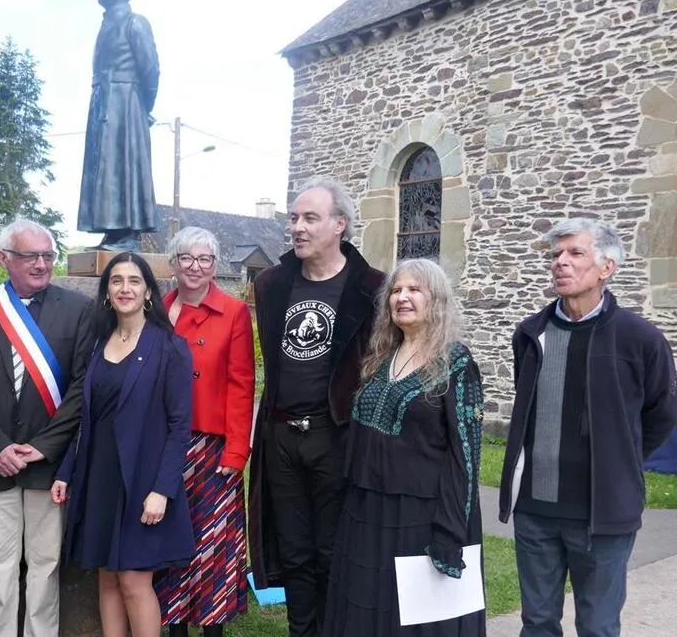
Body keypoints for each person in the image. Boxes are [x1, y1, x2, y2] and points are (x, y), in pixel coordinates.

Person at [498, 218, 677, 637]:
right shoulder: (531, 333)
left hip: (603, 516)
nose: (560, 262)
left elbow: (663, 413)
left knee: (598, 626)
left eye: (575, 253)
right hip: (535, 511)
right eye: (555, 254)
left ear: (606, 268)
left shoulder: (640, 338)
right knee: (537, 623)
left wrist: (622, 459)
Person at [248, 176, 384, 637]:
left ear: (339, 224)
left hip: (335, 434)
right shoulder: (272, 284)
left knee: (331, 549)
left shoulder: (372, 287)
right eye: (293, 218)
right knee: (293, 553)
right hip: (282, 435)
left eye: (310, 218)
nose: (297, 228)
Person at [323, 258, 487, 635]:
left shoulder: (456, 363)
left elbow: (466, 455)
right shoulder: (382, 357)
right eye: (396, 290)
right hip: (367, 510)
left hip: (419, 517)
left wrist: (450, 531)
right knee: (367, 613)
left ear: (437, 299)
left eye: (414, 289)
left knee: (411, 621)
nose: (402, 297)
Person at [0, 218, 94, 637]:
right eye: (30, 256)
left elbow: (82, 386)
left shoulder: (77, 310)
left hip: (48, 463)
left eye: (47, 255)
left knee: (46, 564)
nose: (41, 264)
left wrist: (44, 446)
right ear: (3, 258)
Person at [53, 252, 195, 637]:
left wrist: (162, 490)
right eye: (116, 281)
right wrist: (66, 472)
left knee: (134, 581)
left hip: (142, 480)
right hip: (98, 476)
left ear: (148, 291)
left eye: (134, 281)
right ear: (106, 291)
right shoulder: (97, 343)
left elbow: (180, 426)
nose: (125, 288)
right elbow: (85, 417)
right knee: (107, 578)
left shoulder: (170, 347)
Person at [154, 227, 255, 637]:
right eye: (186, 258)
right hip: (165, 445)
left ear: (215, 266)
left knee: (213, 546)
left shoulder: (233, 312)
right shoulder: (158, 310)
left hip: (212, 446)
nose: (195, 267)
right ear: (174, 263)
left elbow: (242, 384)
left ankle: (212, 629)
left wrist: (236, 451)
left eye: (205, 259)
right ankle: (175, 627)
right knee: (169, 538)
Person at [76, 0, 161, 251]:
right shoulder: (105, 26)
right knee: (104, 167)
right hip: (103, 101)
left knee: (124, 165)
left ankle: (128, 233)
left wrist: (142, 107)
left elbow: (151, 70)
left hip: (126, 102)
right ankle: (112, 230)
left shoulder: (136, 23)